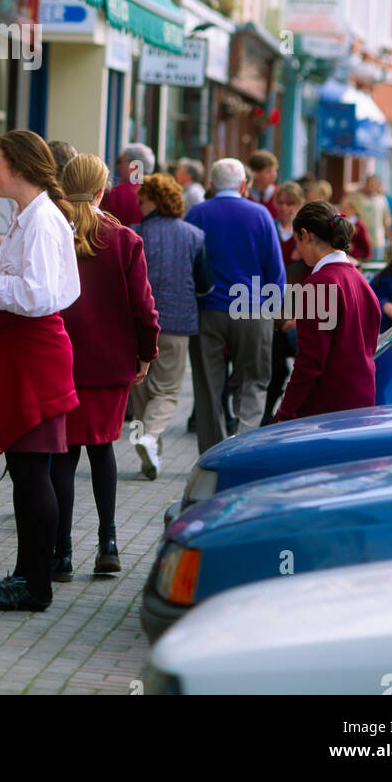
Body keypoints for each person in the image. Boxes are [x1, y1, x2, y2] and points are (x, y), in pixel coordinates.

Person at [0, 130, 80, 613]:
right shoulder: (33, 216)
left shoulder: (43, 220)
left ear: (22, 168)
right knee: (28, 469)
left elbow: (41, 294)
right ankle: (29, 573)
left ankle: (35, 583)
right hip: (24, 351)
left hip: (34, 354)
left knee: (32, 471)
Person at [50, 154, 158, 578]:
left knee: (62, 455)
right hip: (111, 363)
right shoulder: (124, 238)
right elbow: (143, 308)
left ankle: (61, 553)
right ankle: (108, 542)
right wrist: (147, 352)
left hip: (59, 359)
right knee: (102, 451)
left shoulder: (51, 233)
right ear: (102, 191)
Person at [185, 159, 286, 453]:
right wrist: (275, 307)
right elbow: (275, 269)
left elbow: (188, 264)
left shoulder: (197, 213)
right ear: (244, 186)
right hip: (252, 309)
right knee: (253, 381)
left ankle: (213, 454)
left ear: (212, 185)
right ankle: (245, 447)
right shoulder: (261, 215)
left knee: (208, 387)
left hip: (208, 310)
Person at [131, 173, 210, 478]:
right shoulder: (194, 236)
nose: (139, 203)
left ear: (153, 200)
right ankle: (150, 439)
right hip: (178, 322)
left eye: (143, 198)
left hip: (139, 323)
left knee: (141, 388)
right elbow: (205, 285)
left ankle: (150, 449)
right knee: (166, 390)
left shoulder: (135, 234)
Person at [272, 202, 382, 422]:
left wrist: (284, 414)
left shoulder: (319, 284)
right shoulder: (360, 280)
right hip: (361, 400)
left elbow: (309, 362)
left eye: (296, 241)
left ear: (306, 235)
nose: (298, 250)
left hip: (328, 409)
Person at [263, 181, 308, 422]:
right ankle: (267, 412)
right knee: (271, 364)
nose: (284, 208)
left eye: (290, 203)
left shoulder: (304, 234)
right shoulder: (268, 228)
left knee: (288, 360)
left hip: (297, 303)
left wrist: (295, 314)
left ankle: (287, 412)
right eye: (280, 202)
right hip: (269, 300)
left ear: (299, 205)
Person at [102, 143, 155, 227]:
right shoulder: (157, 192)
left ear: (135, 166)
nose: (118, 166)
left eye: (120, 161)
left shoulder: (115, 193)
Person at [360, 176, 392, 260]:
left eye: (374, 183)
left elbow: (387, 222)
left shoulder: (382, 200)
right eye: (370, 183)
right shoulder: (358, 198)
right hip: (362, 241)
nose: (372, 186)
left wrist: (389, 240)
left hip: (378, 242)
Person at [339, 193, 373, 261]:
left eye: (346, 208)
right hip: (341, 257)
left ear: (353, 210)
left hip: (355, 258)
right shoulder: (339, 222)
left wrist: (366, 259)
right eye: (342, 208)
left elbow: (366, 244)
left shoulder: (359, 225)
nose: (342, 210)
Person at [246, 150, 279, 217]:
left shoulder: (279, 193)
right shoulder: (245, 195)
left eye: (275, 170)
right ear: (255, 174)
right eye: (268, 171)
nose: (274, 174)